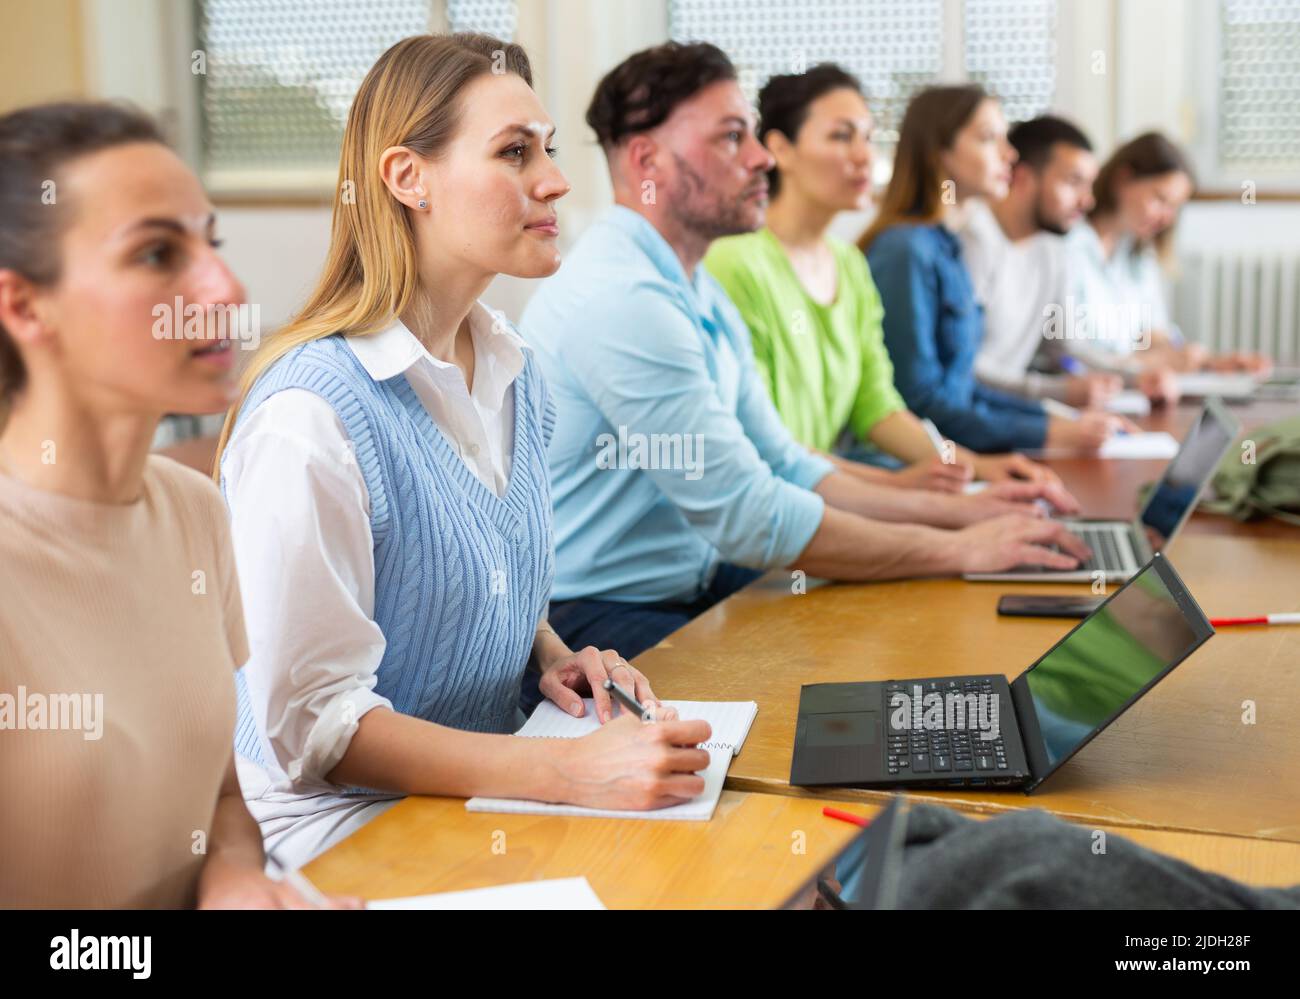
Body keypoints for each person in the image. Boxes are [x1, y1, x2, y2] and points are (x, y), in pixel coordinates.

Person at [214, 34, 713, 870]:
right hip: (340, 836)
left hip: (478, 796)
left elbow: (469, 567)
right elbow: (314, 728)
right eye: (514, 152)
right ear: (409, 178)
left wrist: (553, 654)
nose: (554, 179)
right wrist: (567, 768)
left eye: (547, 149)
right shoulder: (309, 418)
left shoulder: (517, 369)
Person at [521, 43, 1088, 664]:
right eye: (733, 138)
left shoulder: (694, 285)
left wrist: (957, 512)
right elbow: (747, 513)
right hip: (602, 618)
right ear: (647, 158)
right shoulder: (626, 299)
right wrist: (958, 545)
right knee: (871, 672)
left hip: (695, 585)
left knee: (917, 628)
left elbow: (784, 462)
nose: (763, 156)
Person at [0, 102, 351, 908]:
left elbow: (223, 796)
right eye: (158, 253)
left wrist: (230, 875)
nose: (225, 287)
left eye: (211, 242)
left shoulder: (195, 512)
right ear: (24, 307)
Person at [705, 65, 1071, 495]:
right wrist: (895, 483)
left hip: (825, 496)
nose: (864, 156)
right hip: (775, 512)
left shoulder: (848, 264)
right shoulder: (734, 264)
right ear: (780, 149)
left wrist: (973, 466)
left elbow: (876, 405)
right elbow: (768, 448)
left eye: (867, 137)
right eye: (841, 136)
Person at [860, 86, 1128, 453]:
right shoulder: (906, 250)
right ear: (941, 152)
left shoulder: (946, 246)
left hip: (952, 449)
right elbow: (920, 401)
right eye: (989, 139)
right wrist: (1048, 431)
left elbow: (962, 388)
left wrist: (1053, 422)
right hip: (915, 460)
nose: (1010, 154)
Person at [1063, 131, 1269, 396]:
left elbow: (1153, 335)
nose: (1166, 218)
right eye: (1160, 199)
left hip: (1133, 393)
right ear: (1122, 179)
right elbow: (1070, 359)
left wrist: (1208, 363)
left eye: (1174, 208)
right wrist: (1149, 364)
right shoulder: (1070, 249)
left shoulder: (1137, 255)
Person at [958, 115, 1129, 407]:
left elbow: (1065, 344)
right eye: (1073, 182)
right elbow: (965, 366)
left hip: (1007, 407)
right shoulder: (972, 240)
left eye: (1089, 185)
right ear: (1022, 177)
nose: (1087, 201)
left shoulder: (1054, 247)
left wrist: (1137, 376)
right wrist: (1059, 391)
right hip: (969, 412)